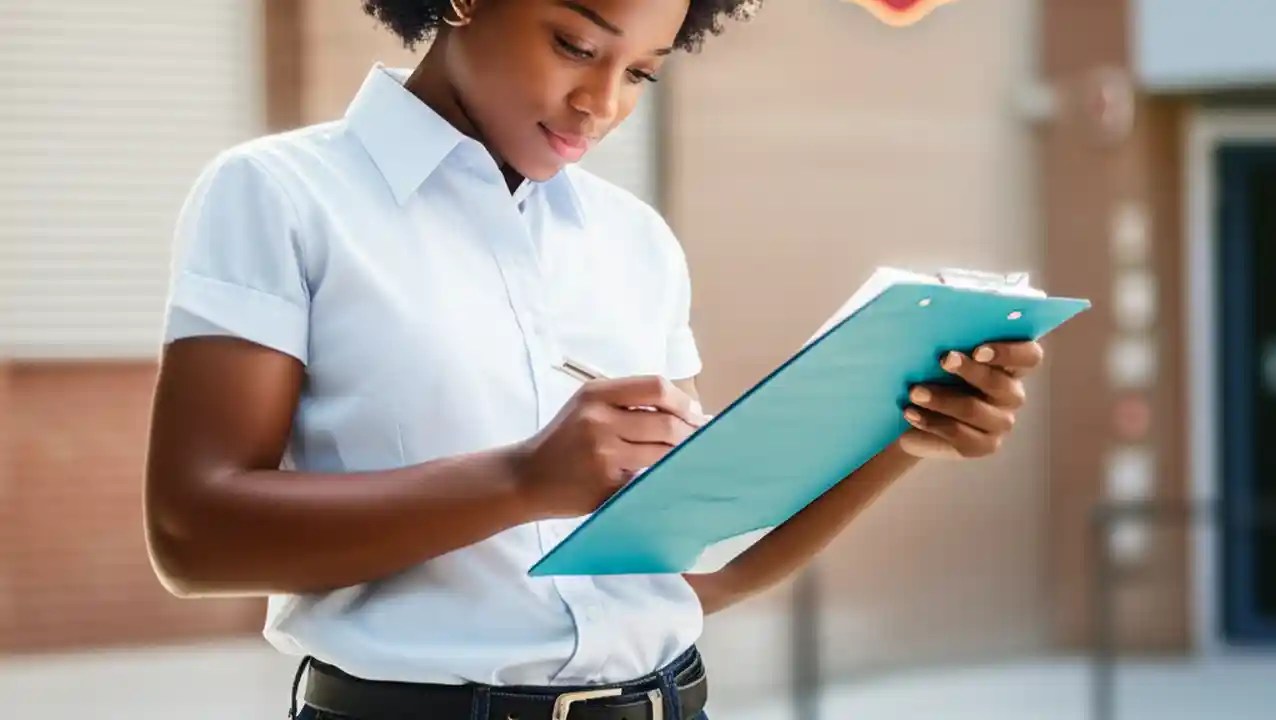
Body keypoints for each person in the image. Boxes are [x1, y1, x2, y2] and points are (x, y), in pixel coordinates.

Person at [143, 0, 1045, 718]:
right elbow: (193, 538)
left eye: (643, 72)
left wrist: (902, 436)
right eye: (576, 44)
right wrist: (523, 480)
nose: (604, 102)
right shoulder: (282, 197)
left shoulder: (633, 241)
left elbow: (694, 577)